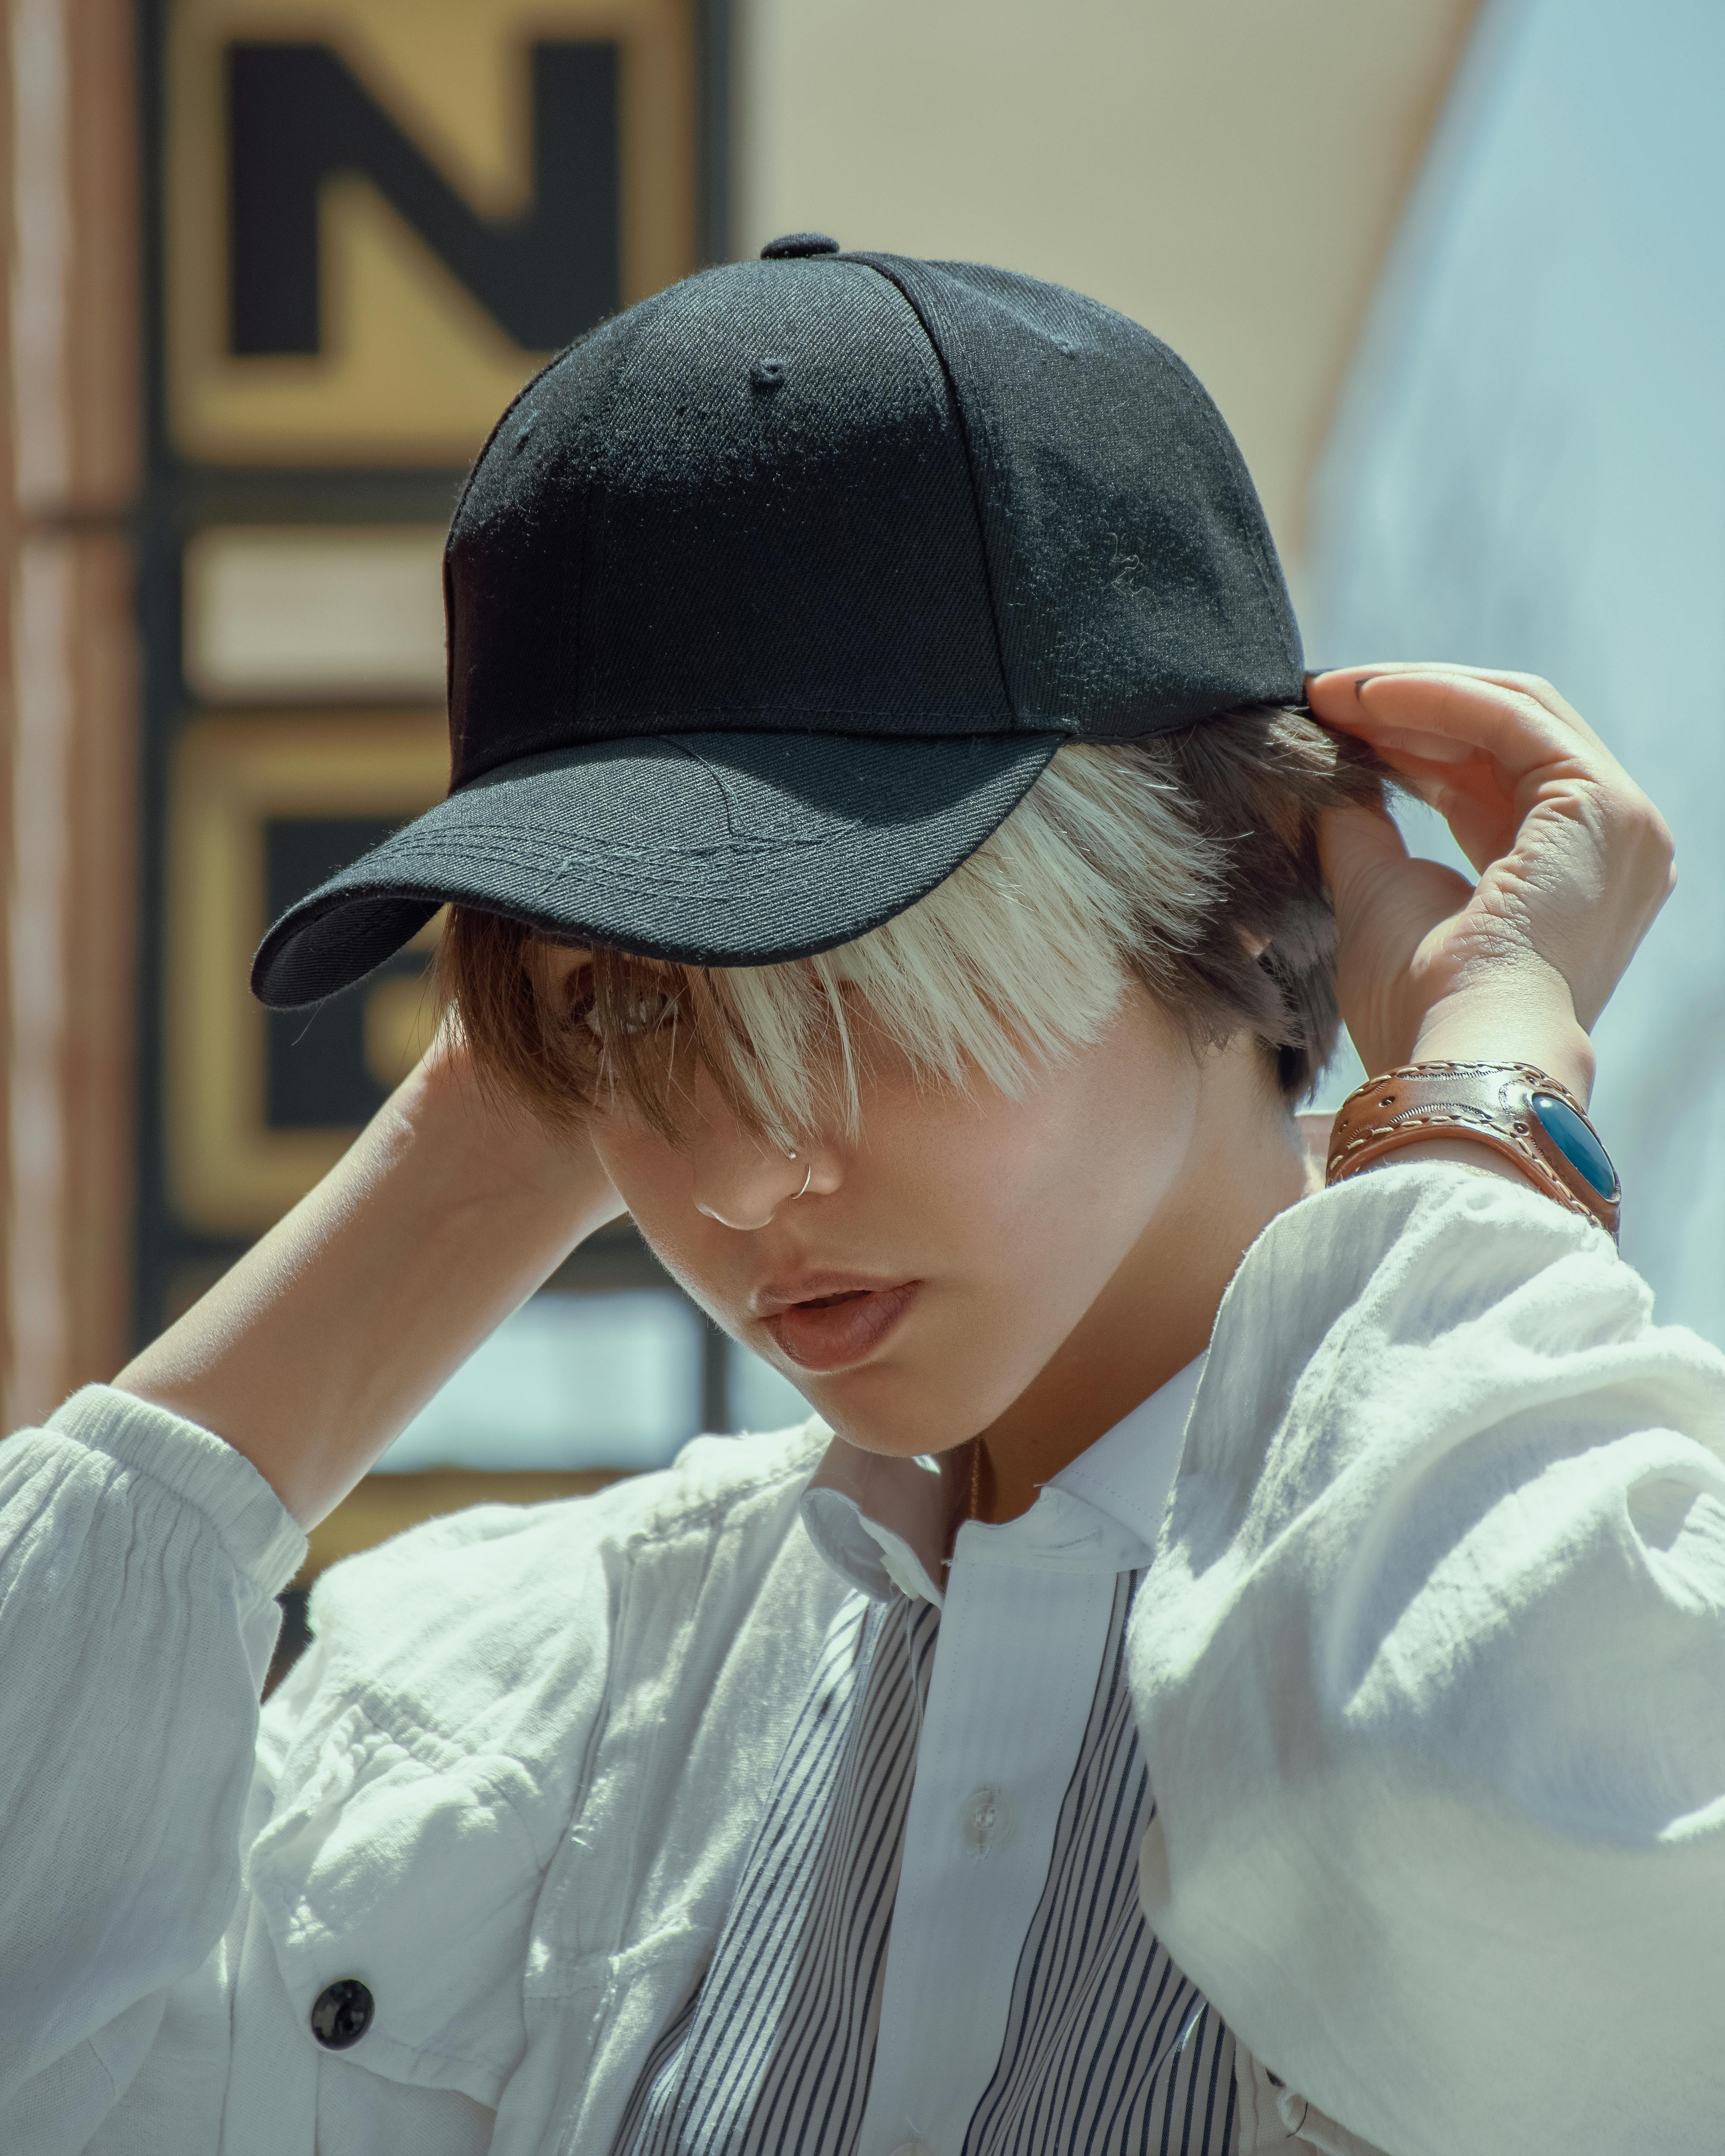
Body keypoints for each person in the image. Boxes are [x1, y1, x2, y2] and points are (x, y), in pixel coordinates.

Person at [1, 239, 1718, 2156]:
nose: (734, 1172)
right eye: (622, 1006)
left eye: (861, 982)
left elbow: (1552, 1878)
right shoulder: (534, 1695)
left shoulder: (1626, 1587)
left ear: (1238, 885)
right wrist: (472, 1156)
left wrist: (1479, 1092)